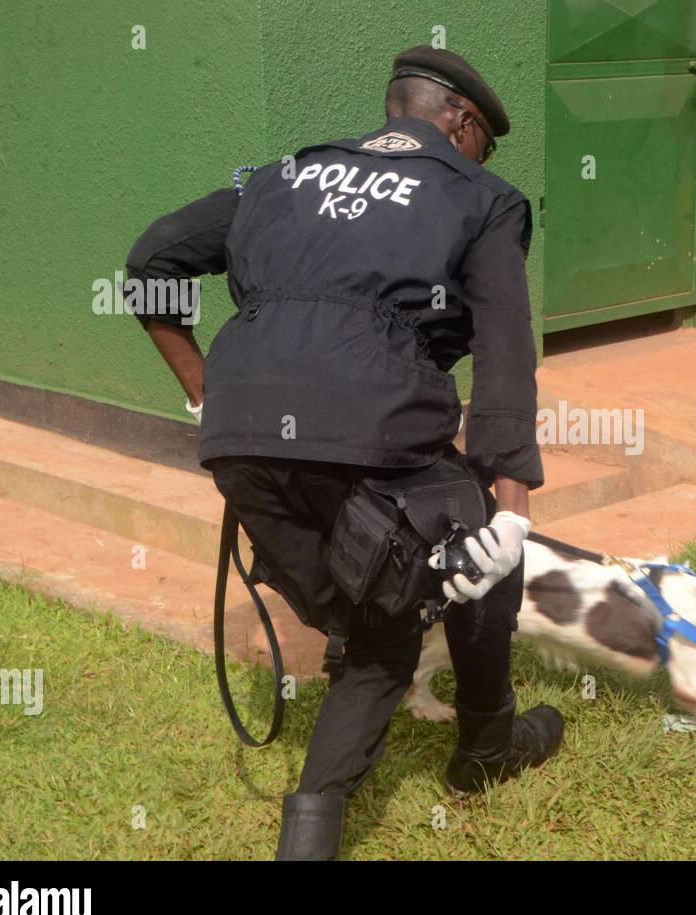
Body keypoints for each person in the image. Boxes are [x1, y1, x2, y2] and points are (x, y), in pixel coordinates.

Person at [125, 46, 565, 860]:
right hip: (373, 430)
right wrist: (515, 507)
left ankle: (342, 792)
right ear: (462, 125)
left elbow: (150, 262)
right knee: (466, 557)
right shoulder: (482, 197)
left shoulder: (282, 175)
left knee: (377, 627)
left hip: (240, 439)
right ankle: (485, 749)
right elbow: (506, 344)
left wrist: (203, 393)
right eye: (483, 142)